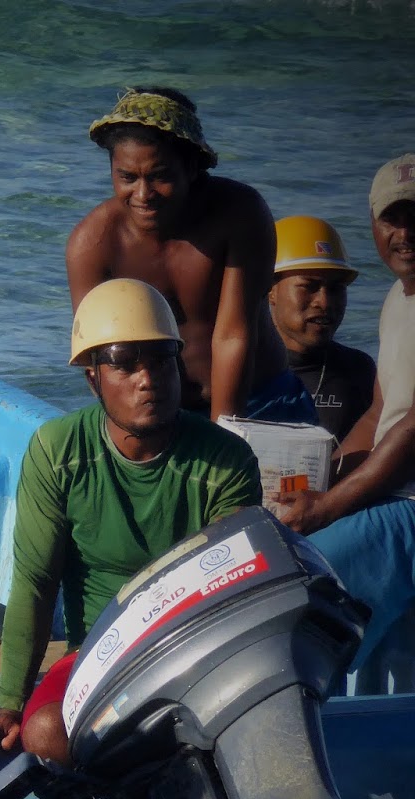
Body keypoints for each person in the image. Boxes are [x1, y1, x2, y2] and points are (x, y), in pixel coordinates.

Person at [0, 279, 261, 769]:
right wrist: (8, 704)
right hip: (97, 659)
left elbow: (228, 595)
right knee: (44, 732)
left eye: (161, 358)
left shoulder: (225, 461)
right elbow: (35, 584)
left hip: (192, 654)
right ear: (93, 378)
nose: (147, 378)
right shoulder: (58, 451)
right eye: (125, 361)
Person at [66, 87, 311, 424]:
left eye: (159, 176)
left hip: (263, 399)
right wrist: (143, 426)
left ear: (194, 167)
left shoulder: (239, 213)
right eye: (127, 177)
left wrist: (225, 437)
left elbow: (232, 334)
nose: (143, 194)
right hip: (159, 415)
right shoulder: (91, 244)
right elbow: (98, 357)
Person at [277, 155, 415, 671]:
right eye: (392, 218)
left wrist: (327, 508)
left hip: (409, 511)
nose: (405, 233)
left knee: (297, 583)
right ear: (374, 225)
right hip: (394, 499)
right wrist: (326, 477)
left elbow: (412, 428)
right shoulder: (397, 301)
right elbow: (381, 409)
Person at [269, 215, 376, 440]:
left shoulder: (359, 372)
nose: (324, 302)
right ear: (270, 289)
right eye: (309, 286)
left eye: (336, 288)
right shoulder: (241, 366)